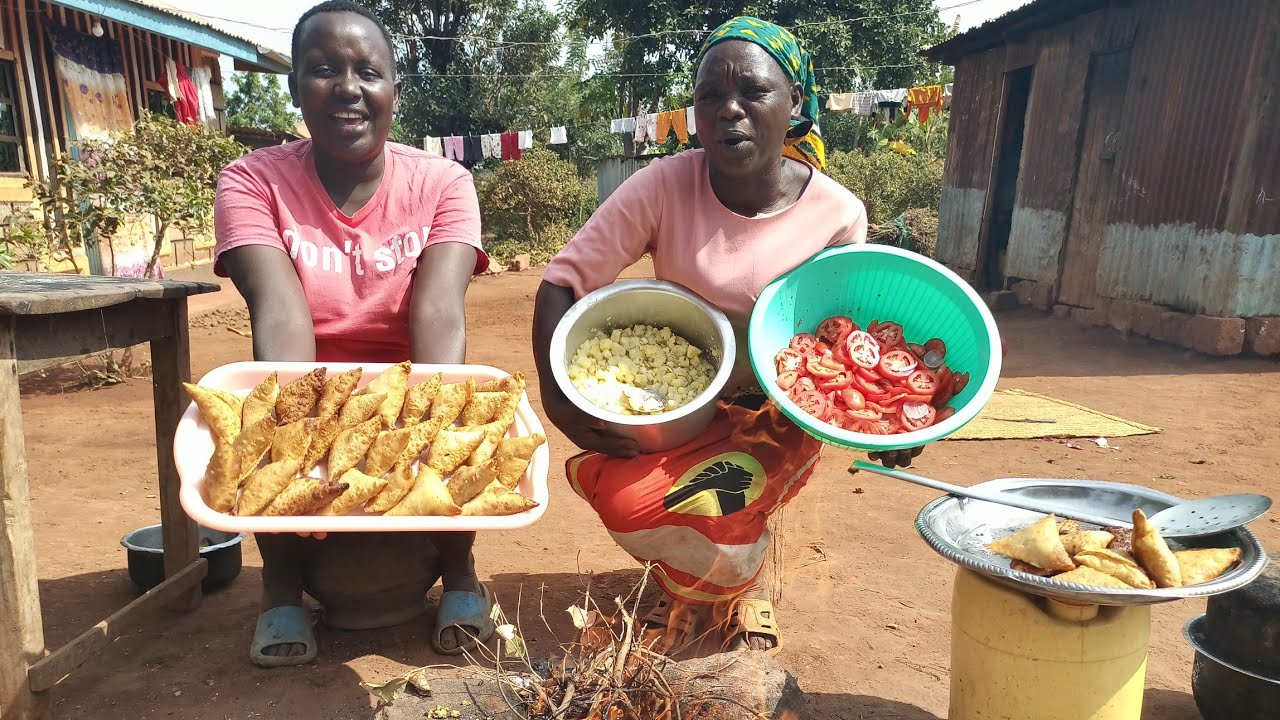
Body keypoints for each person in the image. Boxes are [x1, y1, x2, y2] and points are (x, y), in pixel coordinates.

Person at [532, 16, 921, 654]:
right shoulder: (665, 183)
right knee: (629, 503)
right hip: (679, 408)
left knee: (723, 496)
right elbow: (563, 283)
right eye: (709, 96)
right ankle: (707, 571)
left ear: (795, 101)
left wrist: (902, 423)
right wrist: (555, 395)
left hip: (779, 414)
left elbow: (845, 345)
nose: (728, 110)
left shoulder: (837, 213)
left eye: (753, 92)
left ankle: (738, 582)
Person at [213, 0, 492, 666]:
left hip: (408, 383)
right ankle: (280, 589)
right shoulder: (253, 181)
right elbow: (279, 312)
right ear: (294, 88)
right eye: (322, 69)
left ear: (395, 87)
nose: (347, 87)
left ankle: (459, 574)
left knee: (467, 424)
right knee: (257, 429)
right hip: (304, 381)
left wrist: (425, 428)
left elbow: (439, 311)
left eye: (367, 70)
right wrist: (305, 440)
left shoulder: (444, 181)